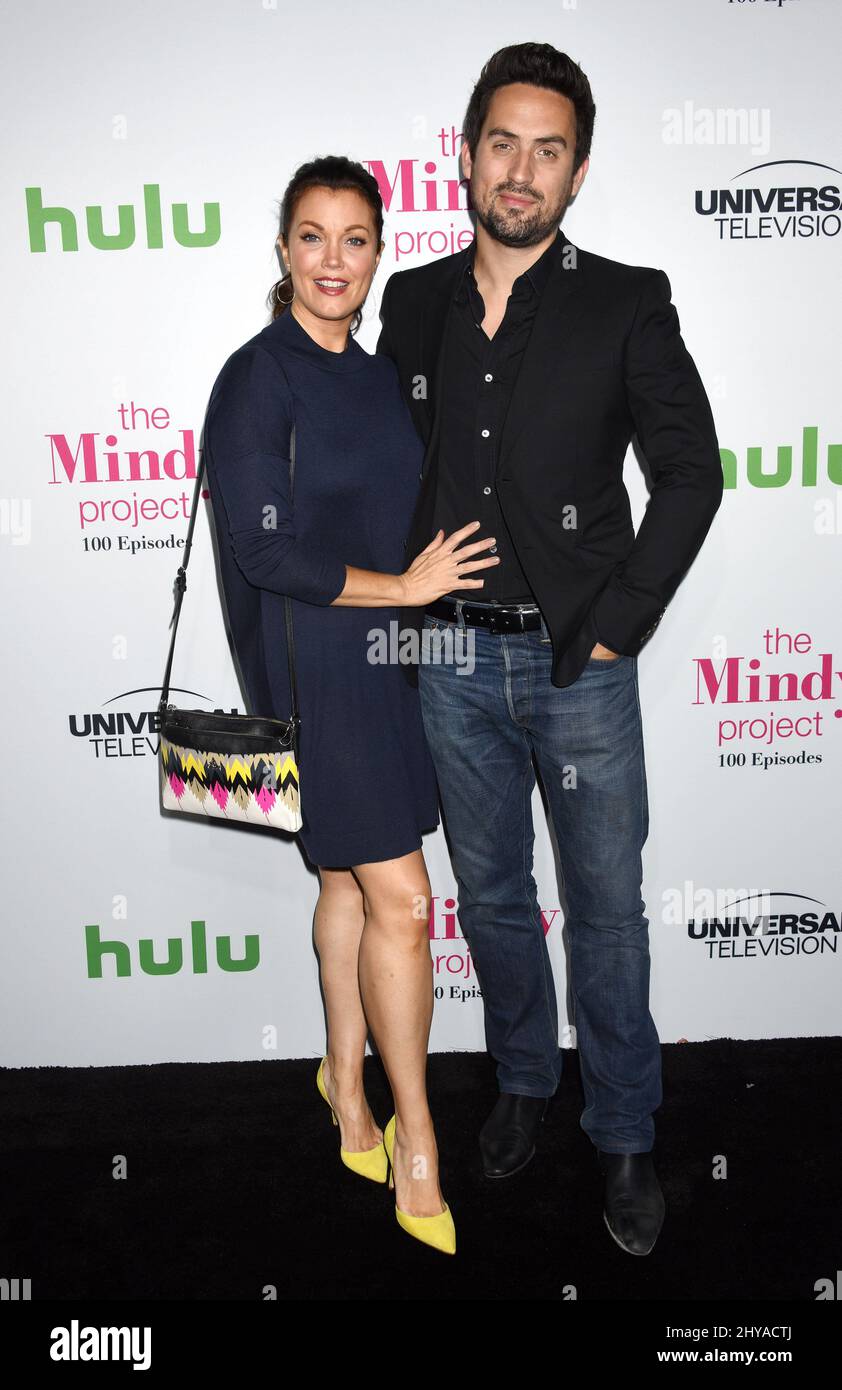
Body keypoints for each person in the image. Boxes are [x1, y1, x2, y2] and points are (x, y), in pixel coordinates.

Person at [376, 44, 724, 1256]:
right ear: (463, 151)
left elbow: (690, 474)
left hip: (579, 667)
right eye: (501, 142)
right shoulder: (410, 301)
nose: (520, 170)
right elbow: (383, 472)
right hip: (450, 668)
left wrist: (621, 621)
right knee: (496, 904)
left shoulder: (626, 298)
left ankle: (622, 1128)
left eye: (548, 149)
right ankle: (522, 1080)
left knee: (606, 910)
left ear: (576, 172)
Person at [201, 156, 499, 1255]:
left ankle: (346, 1083)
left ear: (378, 251)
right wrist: (407, 589)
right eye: (313, 236)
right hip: (309, 669)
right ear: (282, 250)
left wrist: (426, 595)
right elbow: (263, 549)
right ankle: (416, 1140)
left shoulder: (377, 374)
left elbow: (396, 516)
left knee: (344, 879)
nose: (334, 260)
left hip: (387, 655)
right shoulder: (255, 377)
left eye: (355, 238)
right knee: (407, 905)